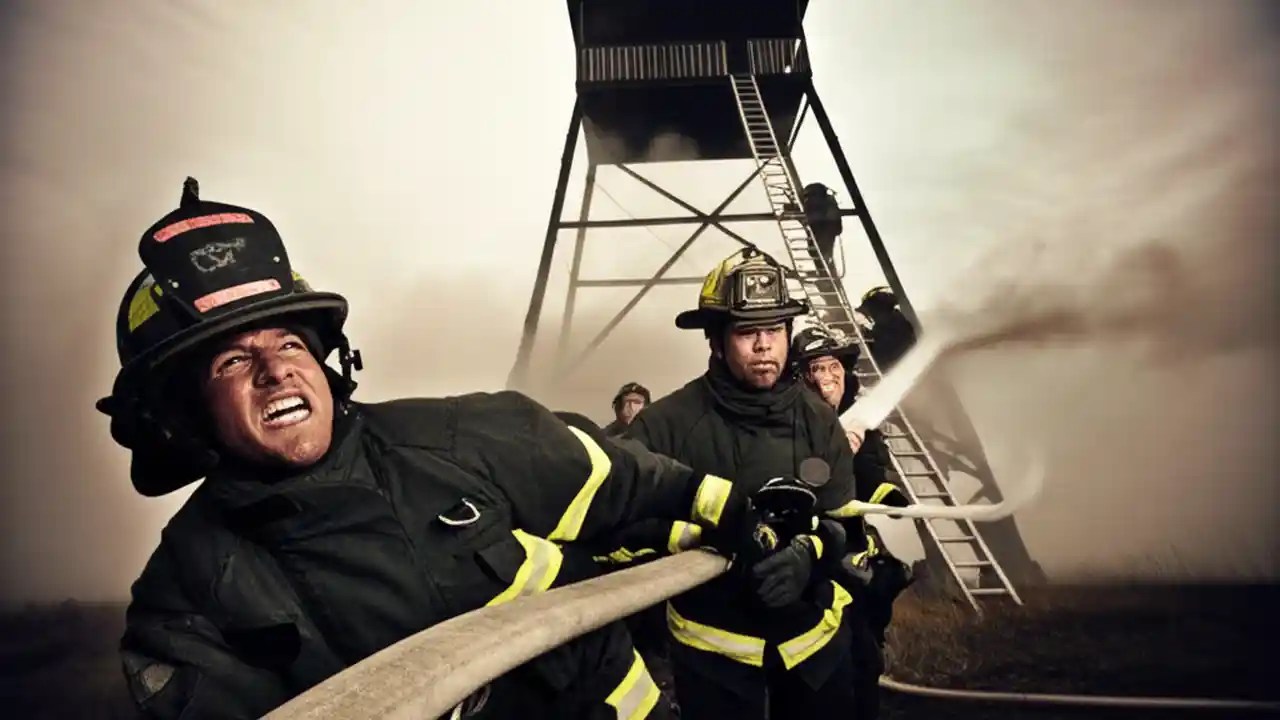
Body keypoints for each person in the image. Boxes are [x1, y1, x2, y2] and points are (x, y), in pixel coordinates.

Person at [96, 180, 786, 720]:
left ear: (329, 365)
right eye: (231, 363)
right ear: (184, 415)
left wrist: (746, 516)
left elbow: (630, 485)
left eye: (290, 344)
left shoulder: (461, 437)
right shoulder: (184, 598)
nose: (277, 370)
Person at [608, 247, 887, 720]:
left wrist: (812, 555)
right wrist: (710, 536)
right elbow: (615, 529)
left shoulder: (819, 422)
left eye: (775, 330)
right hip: (714, 660)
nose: (764, 346)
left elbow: (849, 530)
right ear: (716, 341)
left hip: (817, 651)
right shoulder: (665, 427)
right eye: (747, 332)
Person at [789, 324, 916, 655]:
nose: (827, 375)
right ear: (800, 376)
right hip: (809, 554)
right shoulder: (789, 421)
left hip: (852, 550)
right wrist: (836, 453)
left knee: (866, 638)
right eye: (816, 367)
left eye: (835, 366)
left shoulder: (859, 419)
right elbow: (797, 482)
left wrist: (888, 494)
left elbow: (873, 472)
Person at [855, 286, 917, 372]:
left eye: (870, 310)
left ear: (878, 309)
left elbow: (883, 355)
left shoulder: (894, 325)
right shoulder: (895, 321)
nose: (870, 315)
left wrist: (864, 335)